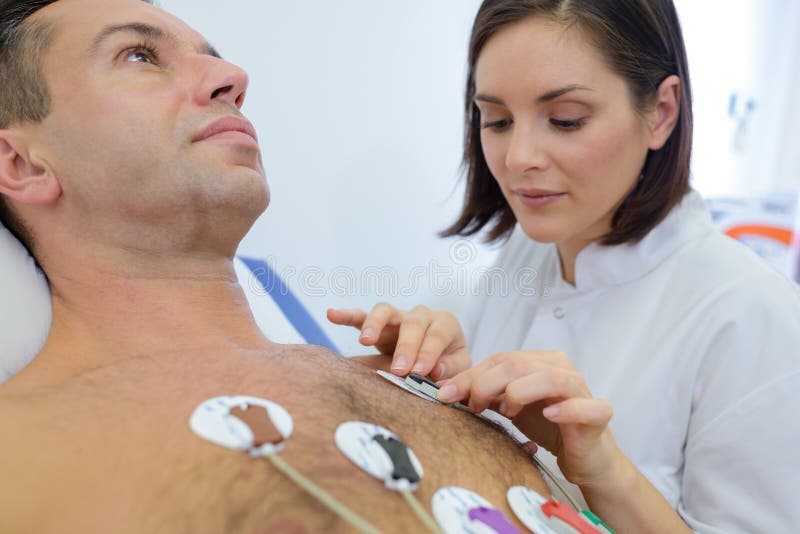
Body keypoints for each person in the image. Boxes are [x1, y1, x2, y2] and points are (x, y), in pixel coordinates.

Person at [0, 1, 549, 532]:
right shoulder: (22, 450)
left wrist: (593, 475)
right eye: (139, 55)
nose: (232, 76)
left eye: (211, 54)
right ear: (23, 164)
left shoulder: (420, 383)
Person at [328, 0, 800, 532]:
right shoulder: (526, 253)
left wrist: (608, 475)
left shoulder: (753, 316)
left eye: (565, 120)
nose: (518, 157)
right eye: (498, 120)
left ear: (661, 113)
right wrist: (445, 389)